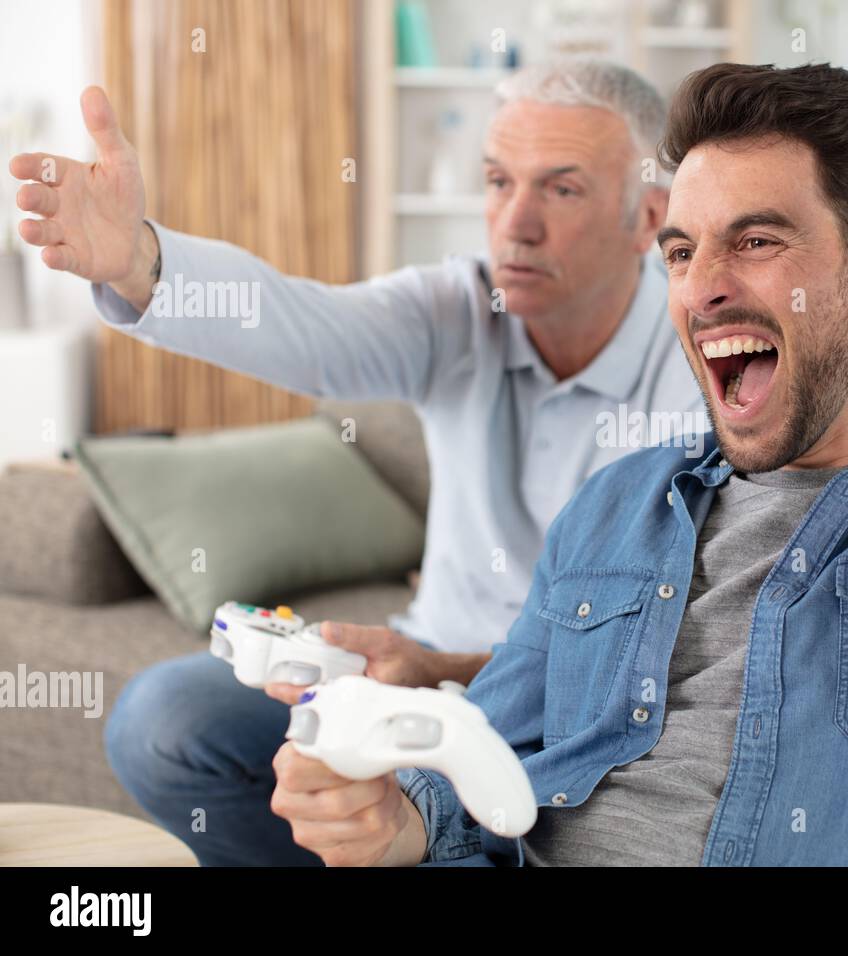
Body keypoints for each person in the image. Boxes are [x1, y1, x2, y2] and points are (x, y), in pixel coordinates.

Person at [268, 62, 848, 867]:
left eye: (757, 240)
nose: (703, 289)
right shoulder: (620, 503)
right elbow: (489, 757)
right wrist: (397, 826)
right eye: (680, 252)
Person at [7, 60, 705, 865]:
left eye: (562, 189)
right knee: (163, 716)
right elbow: (307, 326)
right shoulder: (460, 308)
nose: (515, 223)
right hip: (415, 684)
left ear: (647, 216)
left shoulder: (694, 370)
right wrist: (138, 260)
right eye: (497, 181)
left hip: (575, 711)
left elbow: (669, 650)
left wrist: (445, 670)